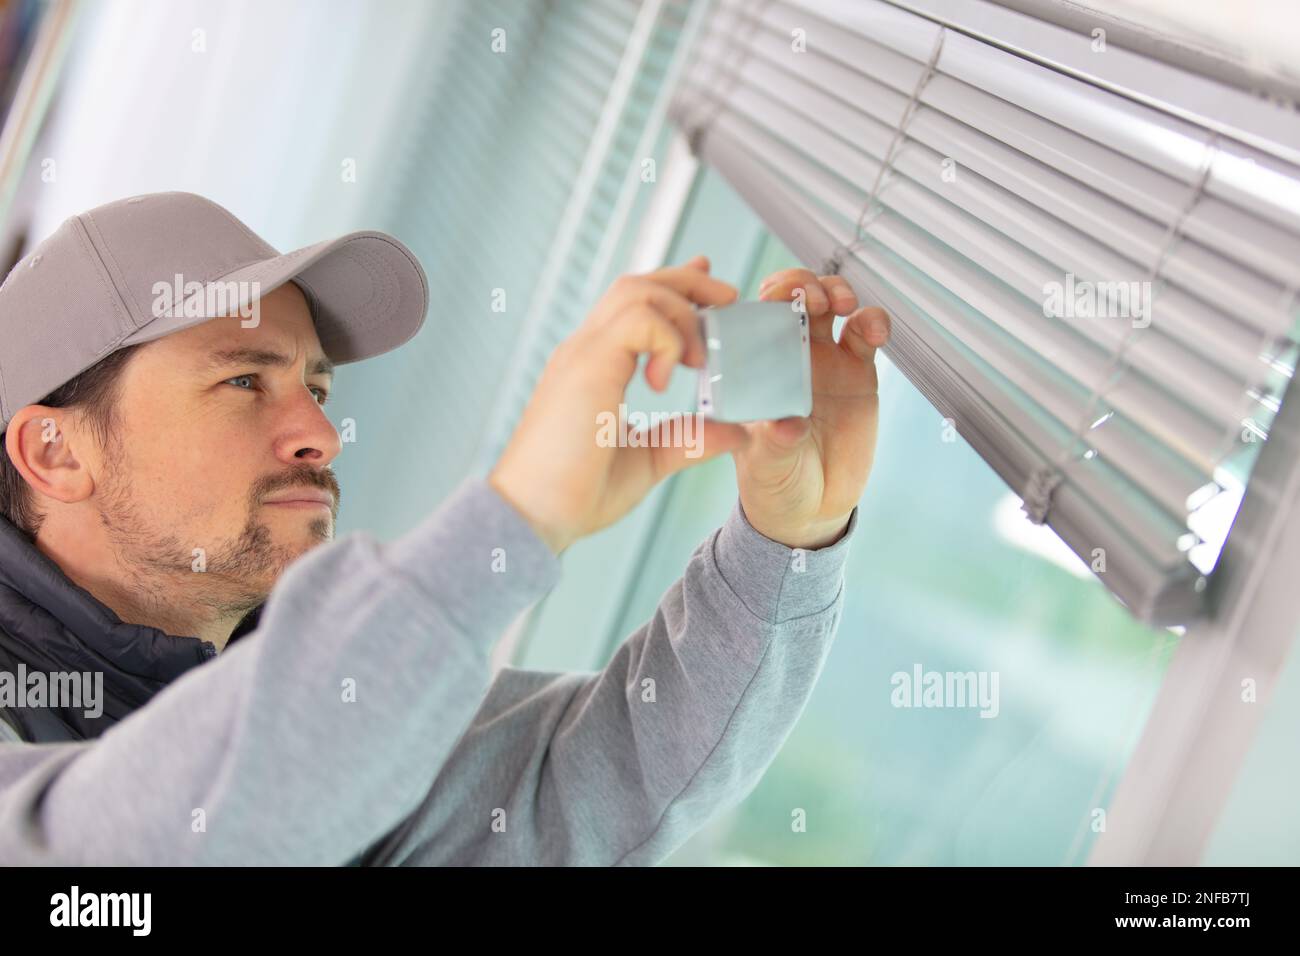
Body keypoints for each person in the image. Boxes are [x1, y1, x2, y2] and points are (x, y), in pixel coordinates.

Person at [0, 191, 889, 865]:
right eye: (243, 381)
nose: (318, 431)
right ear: (54, 452)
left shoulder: (304, 683)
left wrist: (787, 537)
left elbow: (593, 783)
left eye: (317, 387)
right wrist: (517, 518)